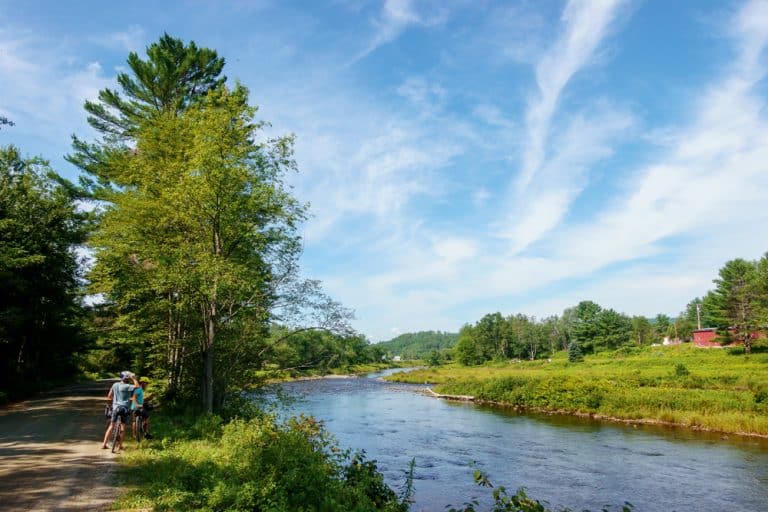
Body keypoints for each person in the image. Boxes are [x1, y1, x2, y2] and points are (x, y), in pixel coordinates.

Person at [102, 371, 140, 450]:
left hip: (116, 408)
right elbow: (137, 386)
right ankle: (120, 445)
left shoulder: (115, 385)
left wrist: (114, 402)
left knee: (111, 426)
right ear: (127, 379)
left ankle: (104, 444)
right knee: (123, 426)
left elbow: (109, 396)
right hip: (124, 408)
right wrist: (134, 378)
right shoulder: (128, 386)